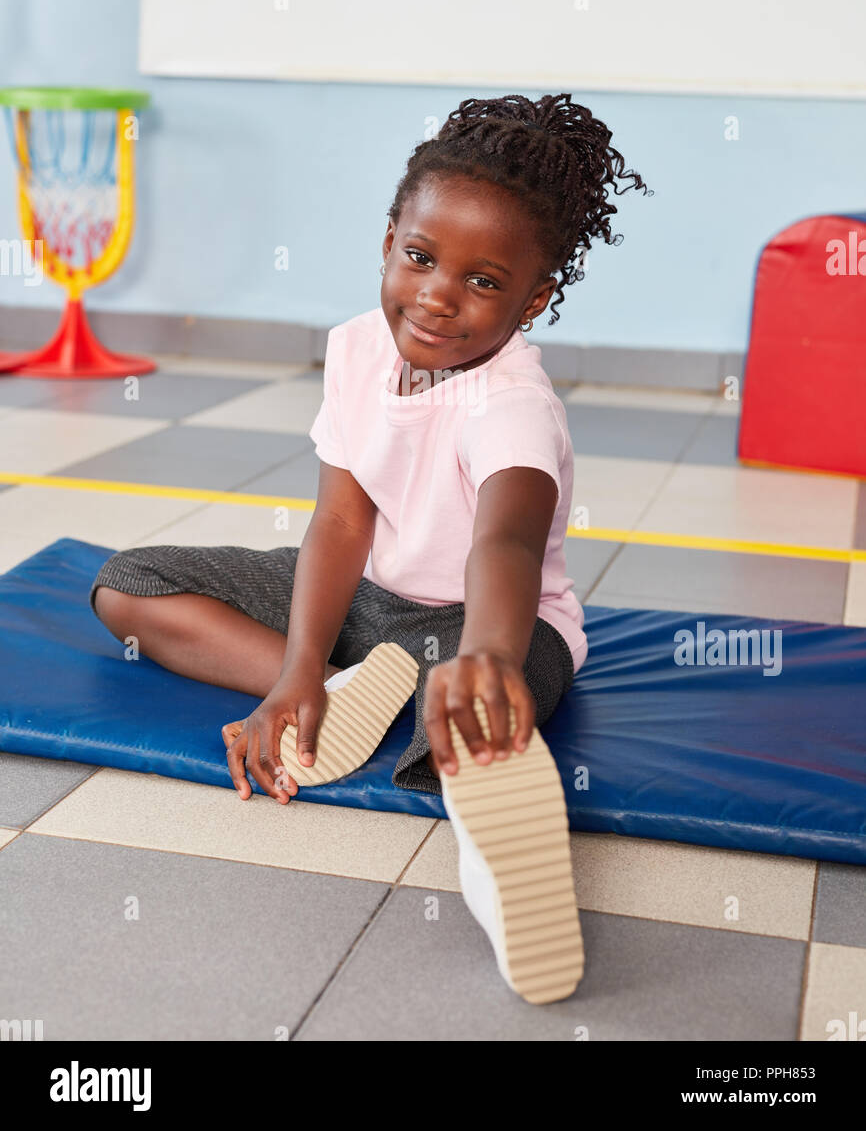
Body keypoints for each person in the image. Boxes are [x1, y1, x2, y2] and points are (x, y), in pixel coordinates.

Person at [90, 91, 651, 1004]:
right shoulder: (355, 350)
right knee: (129, 585)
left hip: (492, 630)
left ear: (534, 298)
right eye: (422, 258)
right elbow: (342, 524)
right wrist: (300, 666)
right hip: (367, 607)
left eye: (483, 281)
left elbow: (505, 542)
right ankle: (348, 691)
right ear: (388, 239)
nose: (437, 296)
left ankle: (496, 861)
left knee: (474, 719)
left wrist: (492, 658)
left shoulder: (512, 404)